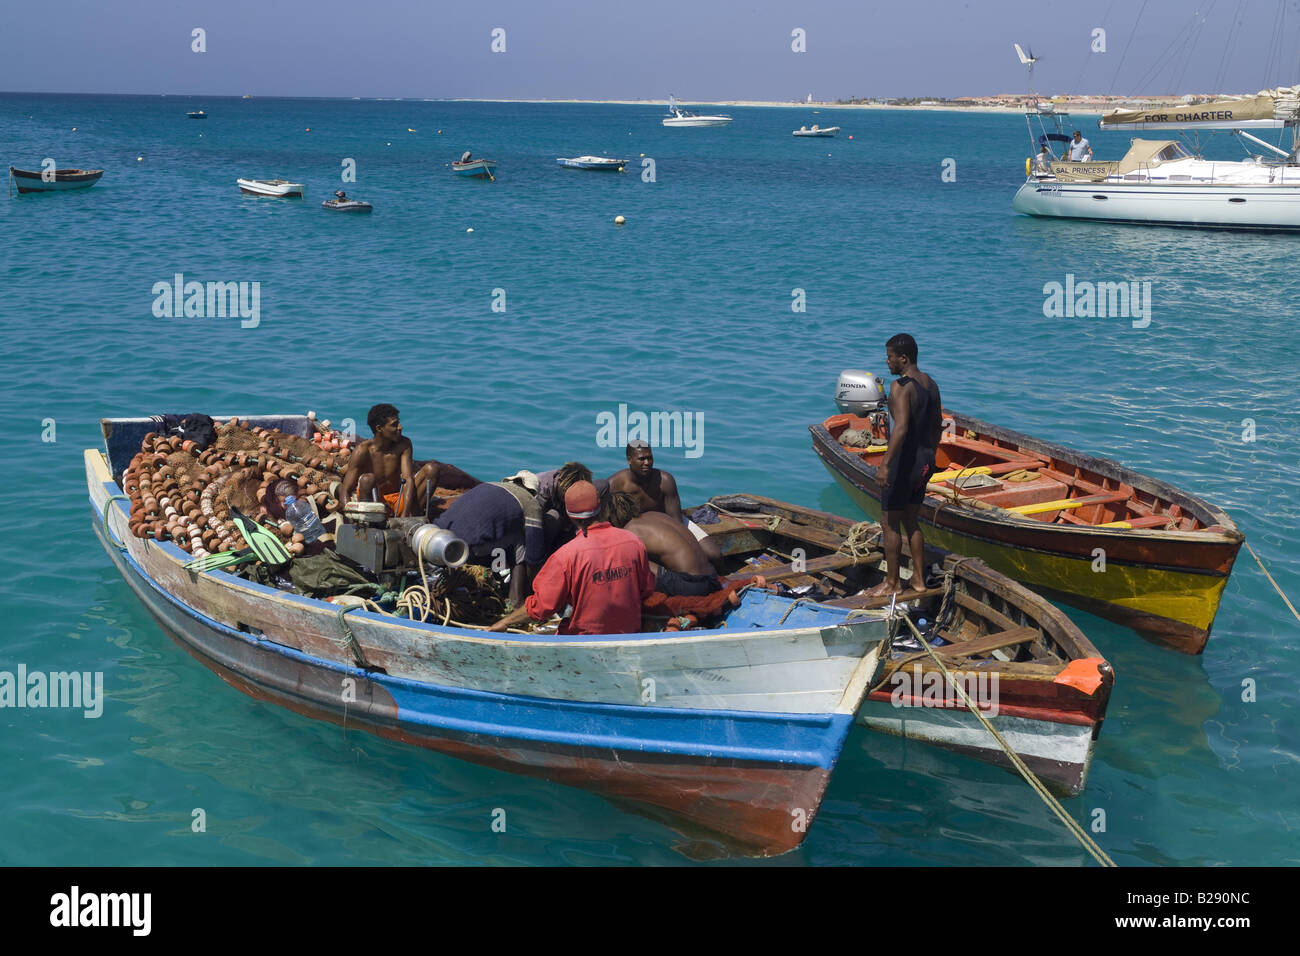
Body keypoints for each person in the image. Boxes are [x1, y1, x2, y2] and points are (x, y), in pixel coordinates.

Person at [489, 481, 655, 635]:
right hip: (628, 633)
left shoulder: (566, 556)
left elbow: (541, 607)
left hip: (584, 638)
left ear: (569, 515)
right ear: (600, 507)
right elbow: (646, 588)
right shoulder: (633, 541)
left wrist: (505, 622)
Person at [868, 333, 942, 598]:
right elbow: (936, 426)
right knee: (912, 521)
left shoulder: (900, 386)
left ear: (903, 358)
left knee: (890, 523)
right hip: (923, 462)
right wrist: (930, 458)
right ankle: (919, 581)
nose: (886, 361)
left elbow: (900, 429)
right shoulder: (931, 385)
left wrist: (885, 464)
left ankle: (893, 583)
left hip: (902, 464)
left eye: (889, 356)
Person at [338, 404, 480, 517]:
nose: (400, 427)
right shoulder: (362, 450)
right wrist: (350, 515)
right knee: (368, 479)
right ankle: (372, 521)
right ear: (379, 428)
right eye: (394, 424)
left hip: (398, 499)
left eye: (399, 423)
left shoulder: (404, 444)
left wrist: (405, 514)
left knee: (432, 469)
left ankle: (411, 515)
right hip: (375, 504)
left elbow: (408, 478)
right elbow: (346, 489)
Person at [607, 440, 724, 570]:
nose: (647, 463)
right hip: (637, 530)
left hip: (669, 522)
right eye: (641, 459)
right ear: (629, 460)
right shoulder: (615, 485)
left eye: (649, 458)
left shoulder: (665, 481)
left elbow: (677, 521)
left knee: (715, 555)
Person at [434, 470, 544, 606]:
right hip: (464, 548)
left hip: (437, 538)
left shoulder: (489, 485)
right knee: (521, 540)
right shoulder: (530, 503)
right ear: (532, 492)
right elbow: (534, 556)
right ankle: (516, 600)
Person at [605, 491, 722, 596]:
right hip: (712, 576)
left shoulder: (630, 530)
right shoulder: (656, 515)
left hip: (696, 586)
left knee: (631, 562)